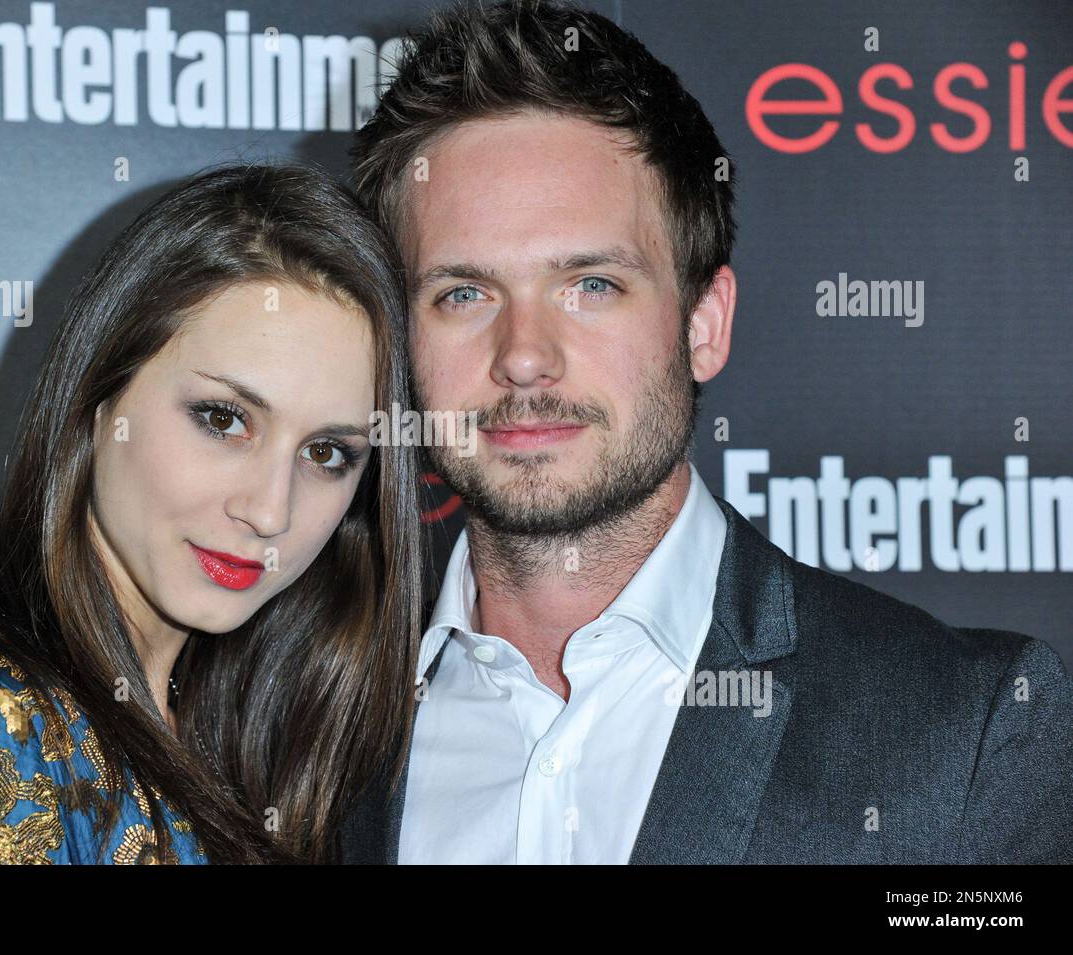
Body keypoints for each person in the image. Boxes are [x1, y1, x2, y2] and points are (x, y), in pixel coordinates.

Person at [338, 0, 1073, 864]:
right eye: (463, 293)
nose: (525, 358)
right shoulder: (316, 725)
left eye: (592, 284)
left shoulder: (966, 734)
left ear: (703, 324)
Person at [0, 161, 421, 865]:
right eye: (223, 419)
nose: (269, 510)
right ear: (99, 403)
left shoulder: (242, 731)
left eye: (326, 453)